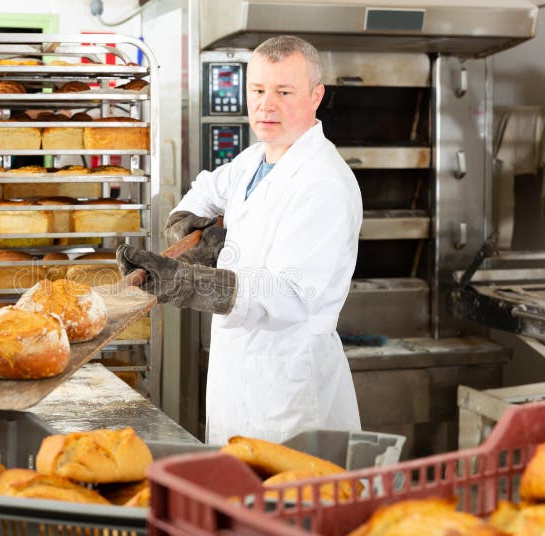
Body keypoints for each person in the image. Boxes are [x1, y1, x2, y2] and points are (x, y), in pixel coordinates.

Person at [117, 35, 362, 444]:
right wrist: (186, 225)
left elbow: (288, 296)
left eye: (284, 91)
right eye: (258, 90)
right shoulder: (255, 159)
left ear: (315, 96)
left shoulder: (324, 183)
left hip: (291, 391)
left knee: (288, 503)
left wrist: (189, 281)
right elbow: (208, 190)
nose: (267, 104)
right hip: (236, 378)